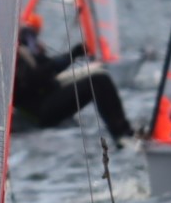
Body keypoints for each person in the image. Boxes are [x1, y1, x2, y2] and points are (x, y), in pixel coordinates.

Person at [12, 9, 133, 140]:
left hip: (46, 96)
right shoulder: (13, 55)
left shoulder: (21, 50)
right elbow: (34, 79)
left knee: (100, 74)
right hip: (40, 111)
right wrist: (70, 56)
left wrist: (73, 54)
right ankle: (122, 134)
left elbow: (47, 67)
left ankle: (124, 132)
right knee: (98, 82)